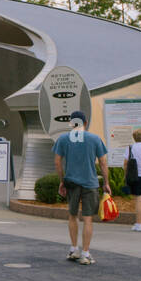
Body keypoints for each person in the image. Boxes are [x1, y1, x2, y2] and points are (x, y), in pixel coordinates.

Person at [53, 112, 110, 266]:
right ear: (86, 121)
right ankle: (85, 253)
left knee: (72, 216)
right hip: (90, 183)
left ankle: (73, 249)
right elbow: (103, 162)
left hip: (71, 182)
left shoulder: (63, 139)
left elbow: (58, 162)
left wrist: (61, 181)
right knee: (88, 218)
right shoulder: (95, 139)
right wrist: (106, 182)